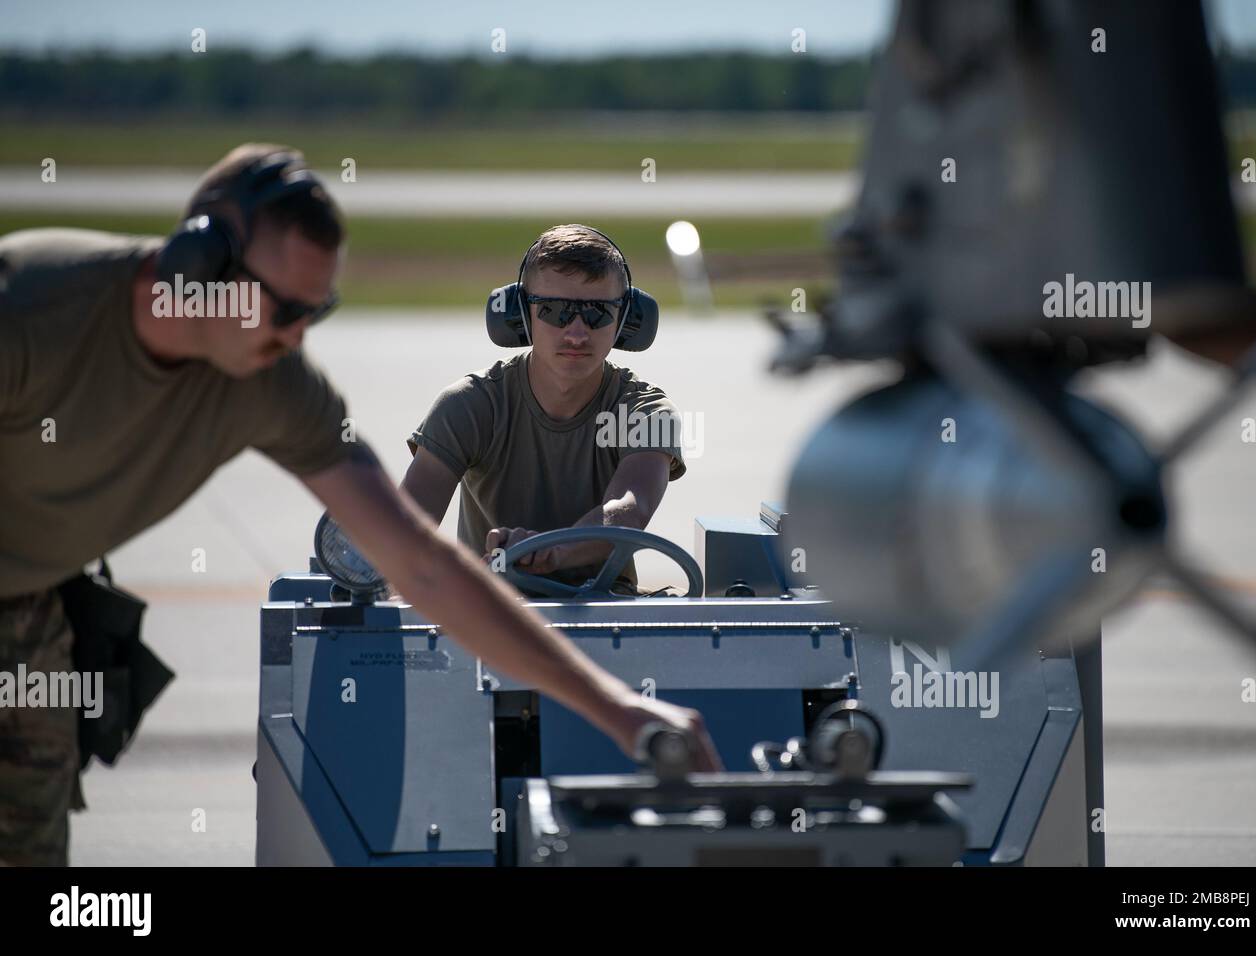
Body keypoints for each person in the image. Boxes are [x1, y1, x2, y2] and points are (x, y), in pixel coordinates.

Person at [0, 144, 720, 866]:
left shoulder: (273, 379)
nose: (298, 337)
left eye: (318, 312)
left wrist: (618, 711)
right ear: (197, 267)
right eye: (285, 309)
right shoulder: (30, 311)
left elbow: (414, 558)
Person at [402, 224, 687, 594]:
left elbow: (629, 509)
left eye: (598, 313)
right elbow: (406, 527)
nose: (576, 333)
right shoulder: (469, 405)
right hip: (485, 611)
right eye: (554, 311)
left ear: (627, 319)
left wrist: (552, 551)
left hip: (605, 613)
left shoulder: (646, 411)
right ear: (521, 314)